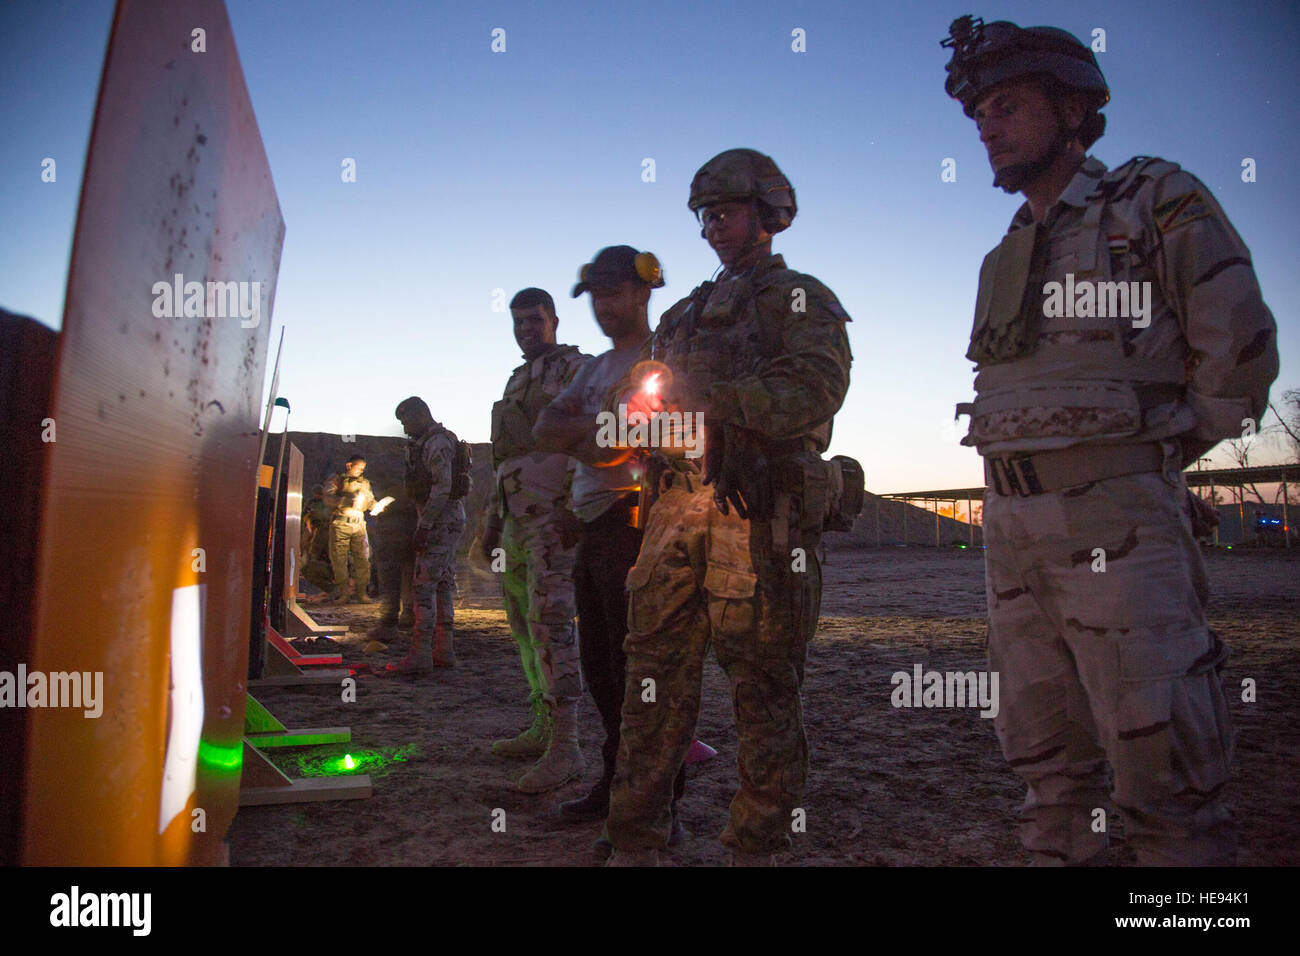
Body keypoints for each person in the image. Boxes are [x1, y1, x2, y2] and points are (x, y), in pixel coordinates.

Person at [941, 16, 1279, 865]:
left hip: (1120, 531)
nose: (986, 124)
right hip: (1011, 536)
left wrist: (1145, 460)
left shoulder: (1154, 199)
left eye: (1007, 104)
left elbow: (1238, 348)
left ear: (1073, 108)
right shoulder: (1006, 252)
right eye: (979, 110)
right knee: (1050, 775)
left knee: (1165, 781)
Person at [601, 150, 853, 866]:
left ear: (769, 213)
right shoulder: (682, 313)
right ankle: (637, 838)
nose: (714, 226)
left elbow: (816, 388)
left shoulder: (799, 298)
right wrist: (641, 419)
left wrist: (711, 401)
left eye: (727, 211)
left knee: (764, 682)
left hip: (758, 510)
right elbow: (637, 400)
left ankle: (755, 846)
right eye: (705, 214)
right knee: (650, 678)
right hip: (676, 508)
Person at [533, 246, 688, 849]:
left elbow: (613, 448)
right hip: (595, 526)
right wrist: (600, 435)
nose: (603, 305)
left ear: (645, 291)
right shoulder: (595, 367)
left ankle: (659, 800)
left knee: (645, 673)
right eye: (595, 295)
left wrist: (596, 437)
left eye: (615, 292)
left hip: (641, 527)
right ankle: (615, 784)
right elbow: (547, 429)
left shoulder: (662, 360)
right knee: (601, 666)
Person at [484, 288, 590, 792]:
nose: (526, 328)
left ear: (553, 320)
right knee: (524, 626)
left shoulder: (576, 369)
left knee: (552, 625)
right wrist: (489, 522)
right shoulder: (515, 380)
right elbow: (503, 459)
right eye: (518, 321)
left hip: (553, 517)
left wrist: (576, 505)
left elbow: (596, 438)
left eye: (534, 319)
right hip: (514, 520)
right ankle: (543, 724)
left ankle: (567, 745)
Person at [387, 397, 468, 670]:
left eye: (406, 421)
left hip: (439, 522)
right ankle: (444, 650)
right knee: (442, 583)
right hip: (443, 520)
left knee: (423, 587)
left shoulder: (437, 443)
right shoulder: (433, 442)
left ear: (420, 414)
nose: (406, 429)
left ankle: (421, 653)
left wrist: (425, 527)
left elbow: (442, 488)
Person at [322, 454, 379, 602]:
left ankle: (361, 593)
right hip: (341, 524)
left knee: (363, 559)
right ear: (349, 465)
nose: (361, 471)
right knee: (339, 559)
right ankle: (344, 593)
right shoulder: (337, 480)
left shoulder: (365, 483)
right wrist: (346, 501)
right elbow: (327, 497)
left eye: (363, 469)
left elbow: (370, 500)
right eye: (358, 468)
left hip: (359, 524)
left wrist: (376, 506)